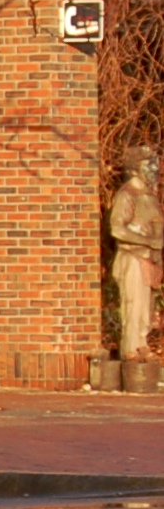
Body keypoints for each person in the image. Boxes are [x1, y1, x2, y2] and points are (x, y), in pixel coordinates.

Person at [108, 146, 164, 361]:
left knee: (146, 308)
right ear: (135, 167)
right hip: (132, 257)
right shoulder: (127, 194)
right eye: (148, 164)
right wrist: (147, 240)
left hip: (150, 258)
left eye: (154, 163)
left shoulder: (149, 195)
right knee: (133, 304)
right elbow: (117, 228)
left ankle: (142, 343)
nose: (154, 168)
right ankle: (130, 348)